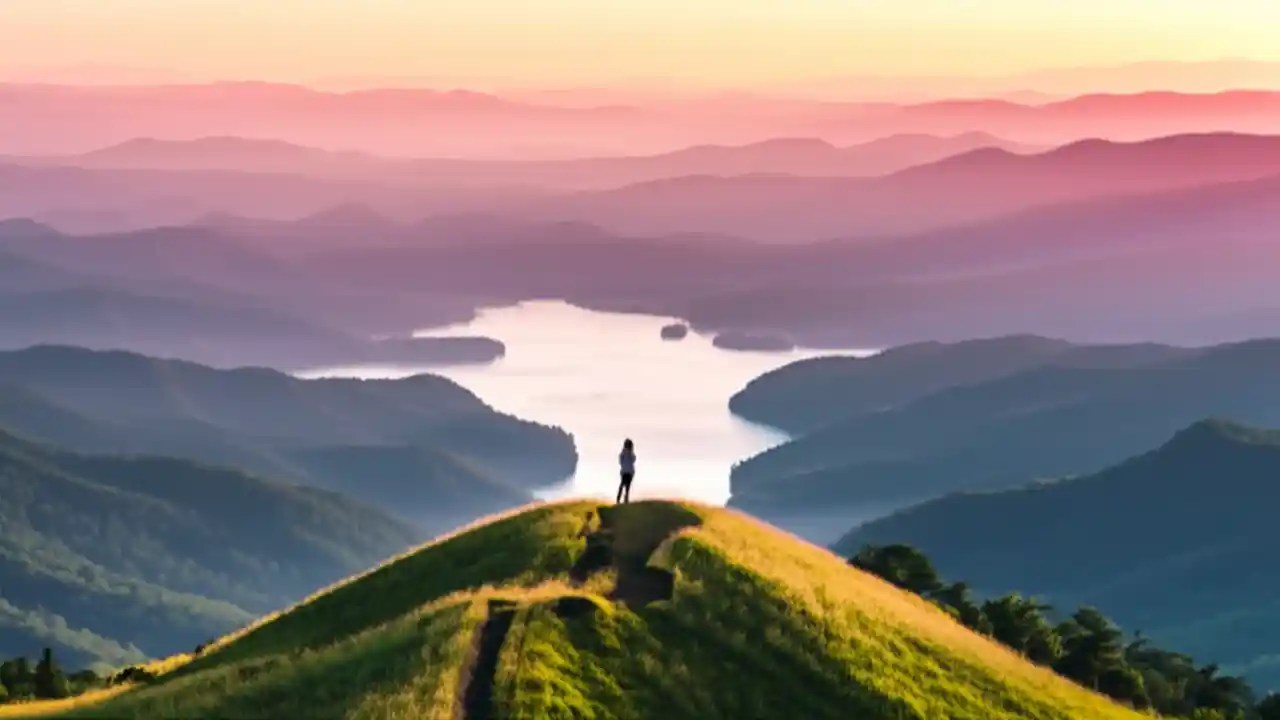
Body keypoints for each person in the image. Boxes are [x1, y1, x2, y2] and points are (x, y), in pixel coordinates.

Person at [616, 438, 636, 504]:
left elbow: (620, 461)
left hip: (625, 471)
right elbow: (633, 460)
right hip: (628, 471)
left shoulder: (624, 453)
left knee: (623, 485)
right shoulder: (630, 453)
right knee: (626, 486)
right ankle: (625, 499)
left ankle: (620, 499)